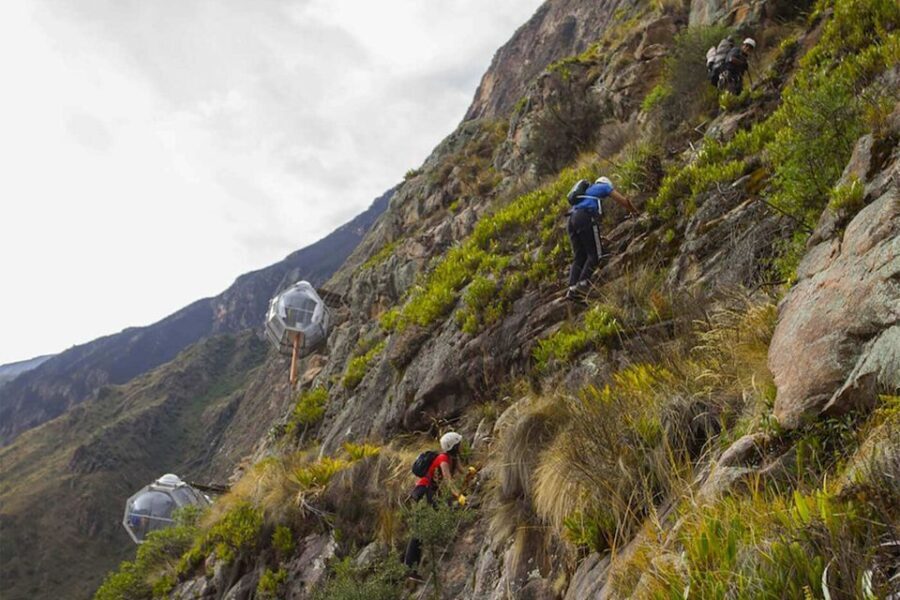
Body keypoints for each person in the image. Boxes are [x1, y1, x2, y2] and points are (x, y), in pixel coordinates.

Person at [403, 431, 466, 575]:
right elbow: (449, 481)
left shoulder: (453, 458)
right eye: (459, 444)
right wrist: (459, 496)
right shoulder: (443, 459)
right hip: (423, 492)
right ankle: (409, 570)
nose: (461, 446)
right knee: (420, 530)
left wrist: (472, 474)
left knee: (438, 515)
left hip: (429, 493)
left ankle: (412, 569)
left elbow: (462, 473)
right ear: (454, 446)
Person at [566, 176, 638, 301]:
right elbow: (623, 201)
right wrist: (635, 212)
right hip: (584, 217)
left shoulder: (586, 193)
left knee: (580, 256)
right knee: (596, 254)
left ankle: (572, 289)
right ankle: (583, 285)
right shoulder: (604, 186)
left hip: (571, 220)